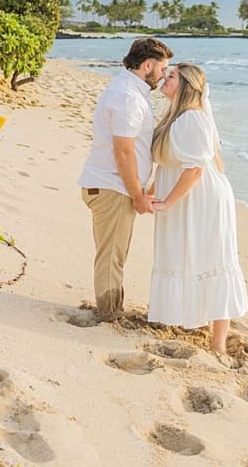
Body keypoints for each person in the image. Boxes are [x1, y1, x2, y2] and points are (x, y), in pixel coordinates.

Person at [148, 63, 248, 353]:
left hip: (203, 199)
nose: (164, 78)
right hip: (187, 197)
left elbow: (194, 170)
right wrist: (151, 191)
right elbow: (169, 162)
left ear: (186, 85)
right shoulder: (174, 117)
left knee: (213, 259)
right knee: (187, 255)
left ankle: (218, 343)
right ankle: (197, 320)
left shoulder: (192, 119)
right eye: (165, 74)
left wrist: (167, 201)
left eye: (171, 76)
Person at [79, 37, 174, 322]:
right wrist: (138, 195)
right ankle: (109, 314)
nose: (163, 75)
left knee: (113, 252)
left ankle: (111, 308)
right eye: (162, 69)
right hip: (112, 187)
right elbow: (123, 152)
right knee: (111, 255)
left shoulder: (127, 90)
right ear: (147, 65)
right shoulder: (129, 98)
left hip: (108, 184)